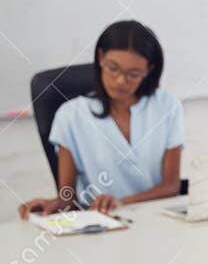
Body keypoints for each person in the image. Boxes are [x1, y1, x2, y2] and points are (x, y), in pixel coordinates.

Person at [18, 20, 184, 218]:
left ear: (149, 70)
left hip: (156, 219)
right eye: (113, 68)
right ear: (100, 58)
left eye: (133, 74)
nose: (120, 81)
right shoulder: (71, 115)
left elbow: (171, 186)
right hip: (101, 222)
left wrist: (121, 203)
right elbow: (67, 198)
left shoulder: (167, 106)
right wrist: (53, 204)